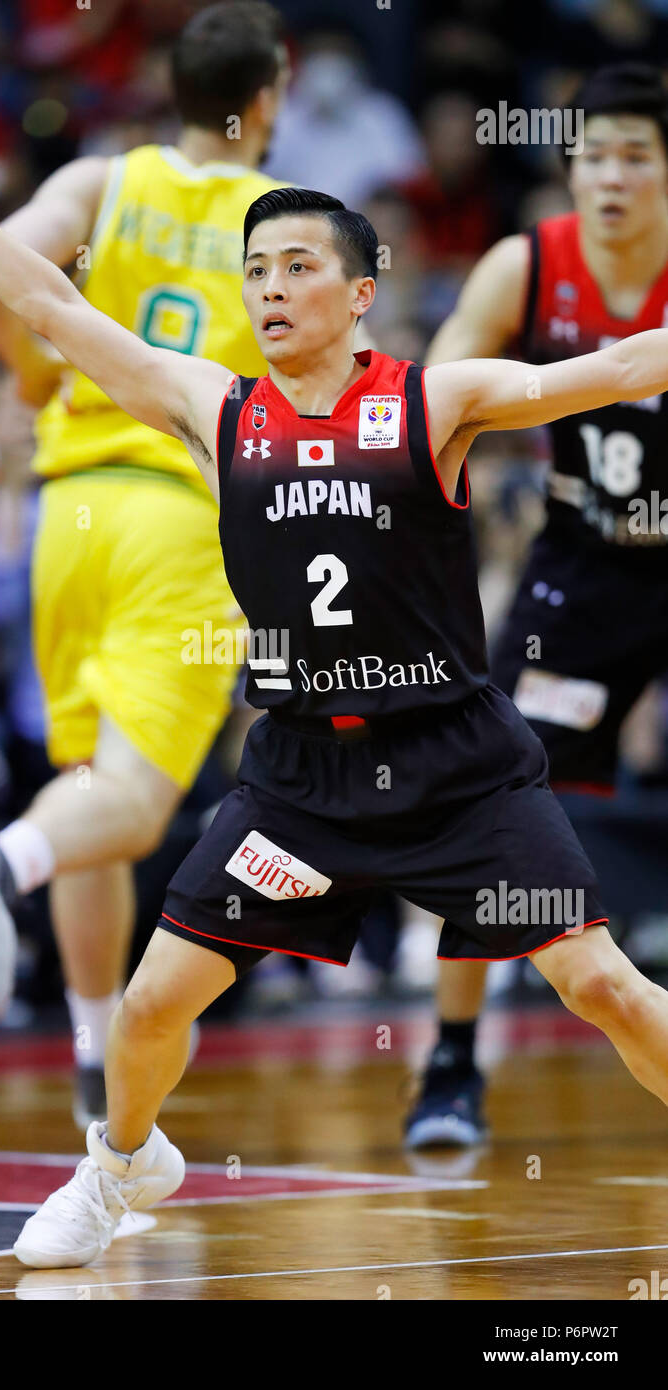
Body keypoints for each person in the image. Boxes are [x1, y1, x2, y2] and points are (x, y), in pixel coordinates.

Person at [0, 62, 668, 1270]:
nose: (270, 288)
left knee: (601, 984)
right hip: (298, 778)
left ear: (359, 293)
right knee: (146, 1009)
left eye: (297, 267)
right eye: (255, 271)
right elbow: (52, 310)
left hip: (455, 764)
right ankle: (120, 1165)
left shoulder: (432, 399)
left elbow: (605, 372)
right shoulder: (215, 409)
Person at [0, 2, 290, 1129]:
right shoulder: (283, 219)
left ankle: (91, 1061)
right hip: (183, 521)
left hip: (67, 515)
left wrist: (34, 385)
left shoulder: (101, 182)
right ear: (266, 100)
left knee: (90, 774)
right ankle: (1, 851)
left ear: (175, 91)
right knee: (132, 803)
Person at [404, 62, 668, 1150]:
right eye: (591, 153)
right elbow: (424, 399)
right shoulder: (529, 263)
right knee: (496, 796)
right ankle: (452, 1061)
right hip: (585, 566)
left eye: (634, 154)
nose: (608, 174)